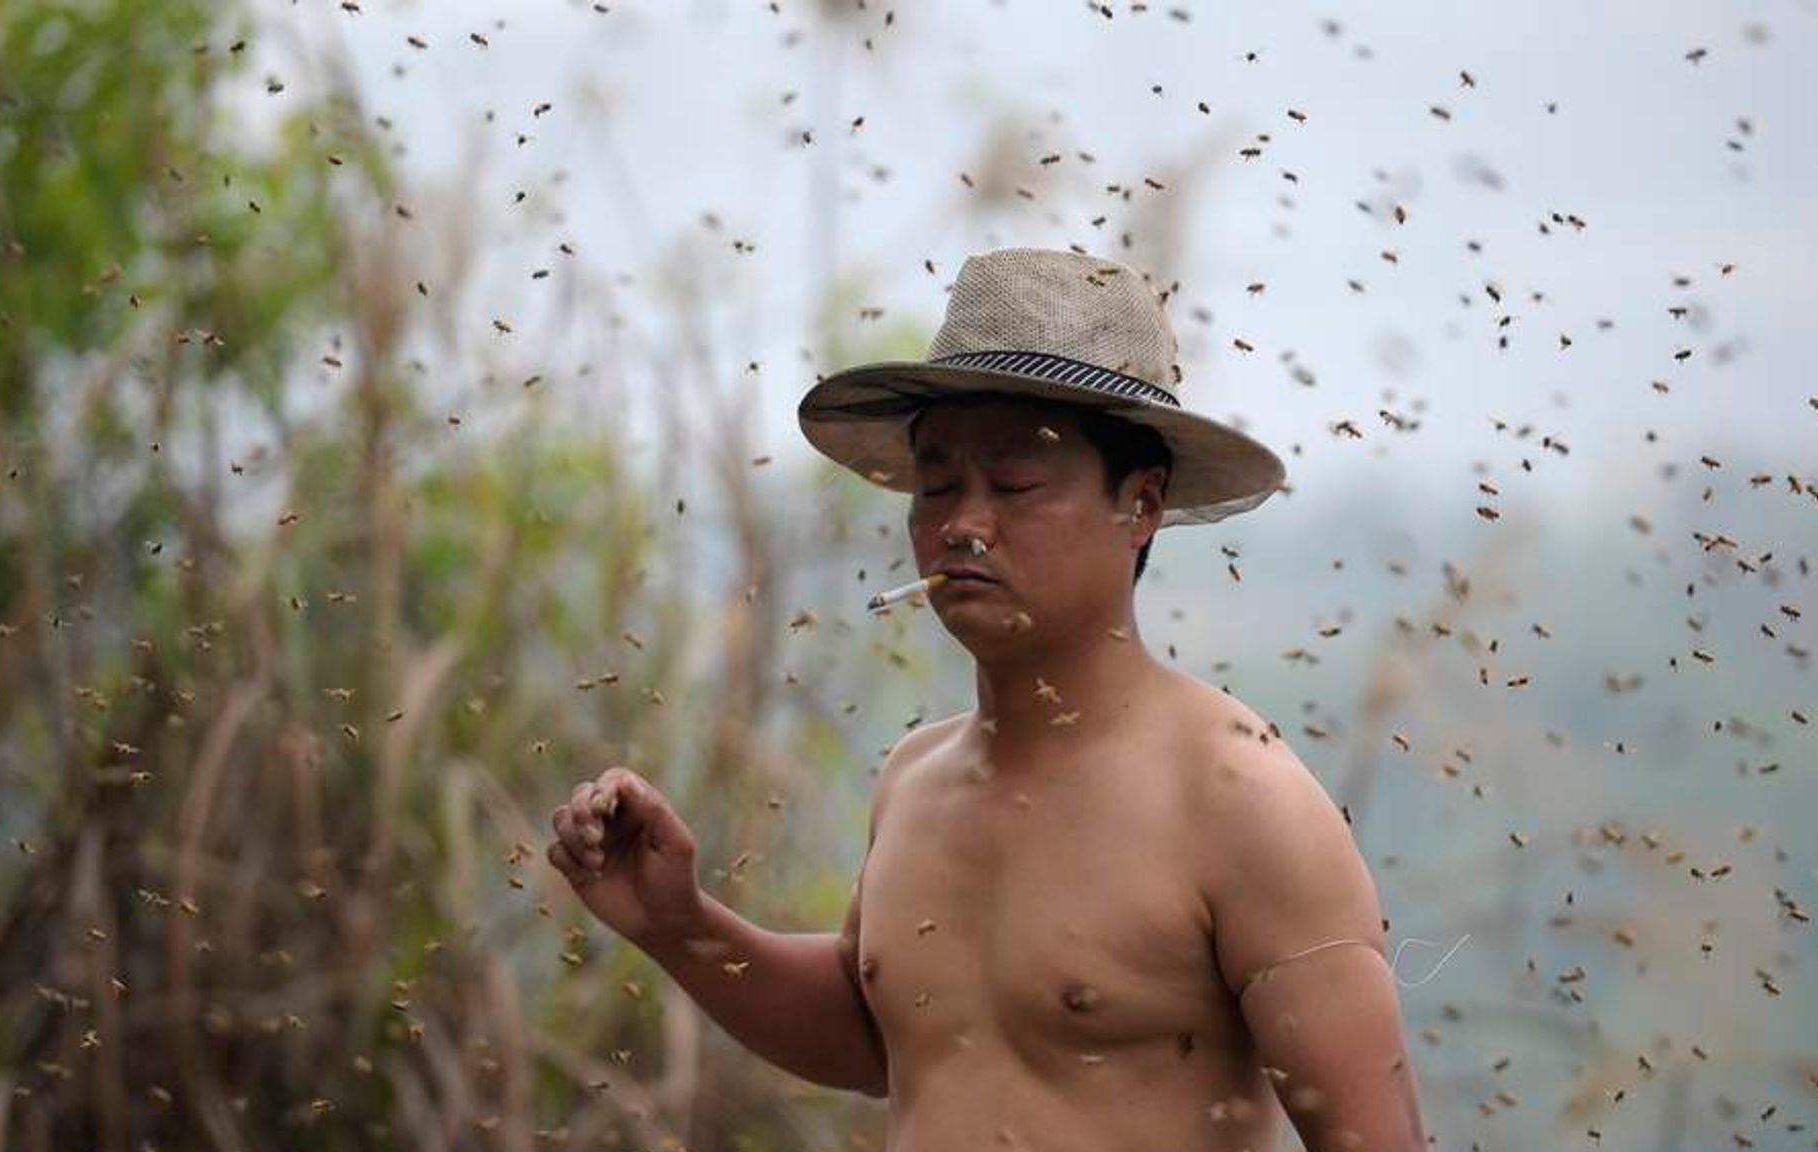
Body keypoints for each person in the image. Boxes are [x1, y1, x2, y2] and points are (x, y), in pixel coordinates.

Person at [548, 248, 1429, 1151]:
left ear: (1142, 507)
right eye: (936, 484)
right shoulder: (917, 778)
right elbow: (886, 1036)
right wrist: (679, 924)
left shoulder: (1236, 797)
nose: (962, 524)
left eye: (1014, 483)